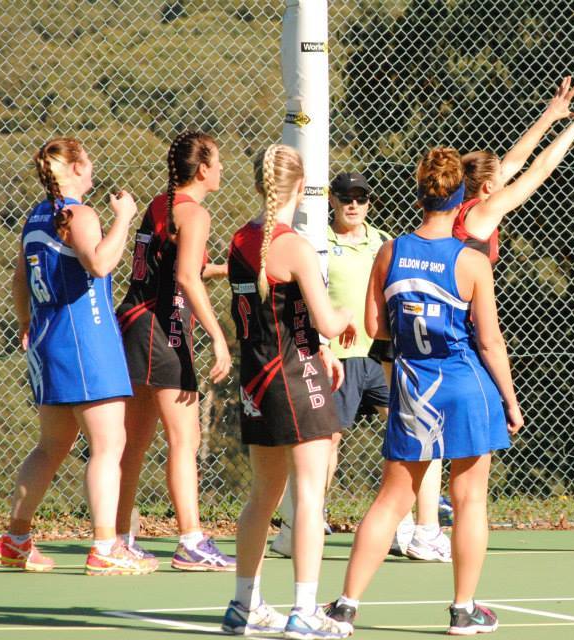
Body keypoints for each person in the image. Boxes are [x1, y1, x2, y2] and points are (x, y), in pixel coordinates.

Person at [323, 146, 524, 636]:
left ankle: (346, 606)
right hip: (466, 382)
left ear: (420, 196)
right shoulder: (471, 260)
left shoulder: (390, 250)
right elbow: (491, 341)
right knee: (469, 499)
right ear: (462, 200)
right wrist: (511, 400)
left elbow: (374, 325)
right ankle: (463, 611)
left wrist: (413, 326)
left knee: (392, 500)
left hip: (414, 385)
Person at [0, 137, 157, 575]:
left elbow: (18, 279)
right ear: (77, 167)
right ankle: (105, 547)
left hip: (49, 336)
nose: (93, 167)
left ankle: (16, 539)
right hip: (84, 337)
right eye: (88, 161)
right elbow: (100, 264)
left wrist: (26, 322)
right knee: (109, 444)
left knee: (52, 445)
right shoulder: (79, 214)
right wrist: (123, 218)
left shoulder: (36, 216)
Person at [270, 172, 452, 563]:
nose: (353, 204)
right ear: (332, 201)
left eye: (360, 197)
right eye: (345, 197)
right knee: (327, 440)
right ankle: (297, 526)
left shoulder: (384, 242)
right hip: (337, 357)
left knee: (415, 429)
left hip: (382, 357)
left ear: (370, 202)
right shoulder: (316, 242)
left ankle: (407, 527)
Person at [221, 144, 355, 638]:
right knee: (309, 496)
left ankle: (243, 604)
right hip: (296, 382)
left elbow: (277, 318)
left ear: (260, 184)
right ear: (300, 189)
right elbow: (323, 318)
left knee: (263, 494)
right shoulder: (293, 245)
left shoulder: (240, 240)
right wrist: (344, 321)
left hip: (257, 382)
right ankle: (303, 611)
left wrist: (315, 345)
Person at [115, 130, 234, 571]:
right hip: (161, 332)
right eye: (217, 162)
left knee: (135, 442)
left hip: (131, 325)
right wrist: (218, 335)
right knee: (186, 438)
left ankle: (119, 536)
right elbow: (186, 278)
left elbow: (186, 267)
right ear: (202, 169)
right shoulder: (196, 213)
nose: (221, 169)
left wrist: (227, 268)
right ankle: (190, 540)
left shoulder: (160, 204)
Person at [454, 76, 574, 265]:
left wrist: (550, 114)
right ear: (488, 186)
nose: (505, 172)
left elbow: (514, 161)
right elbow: (541, 169)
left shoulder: (463, 207)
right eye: (500, 172)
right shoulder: (486, 210)